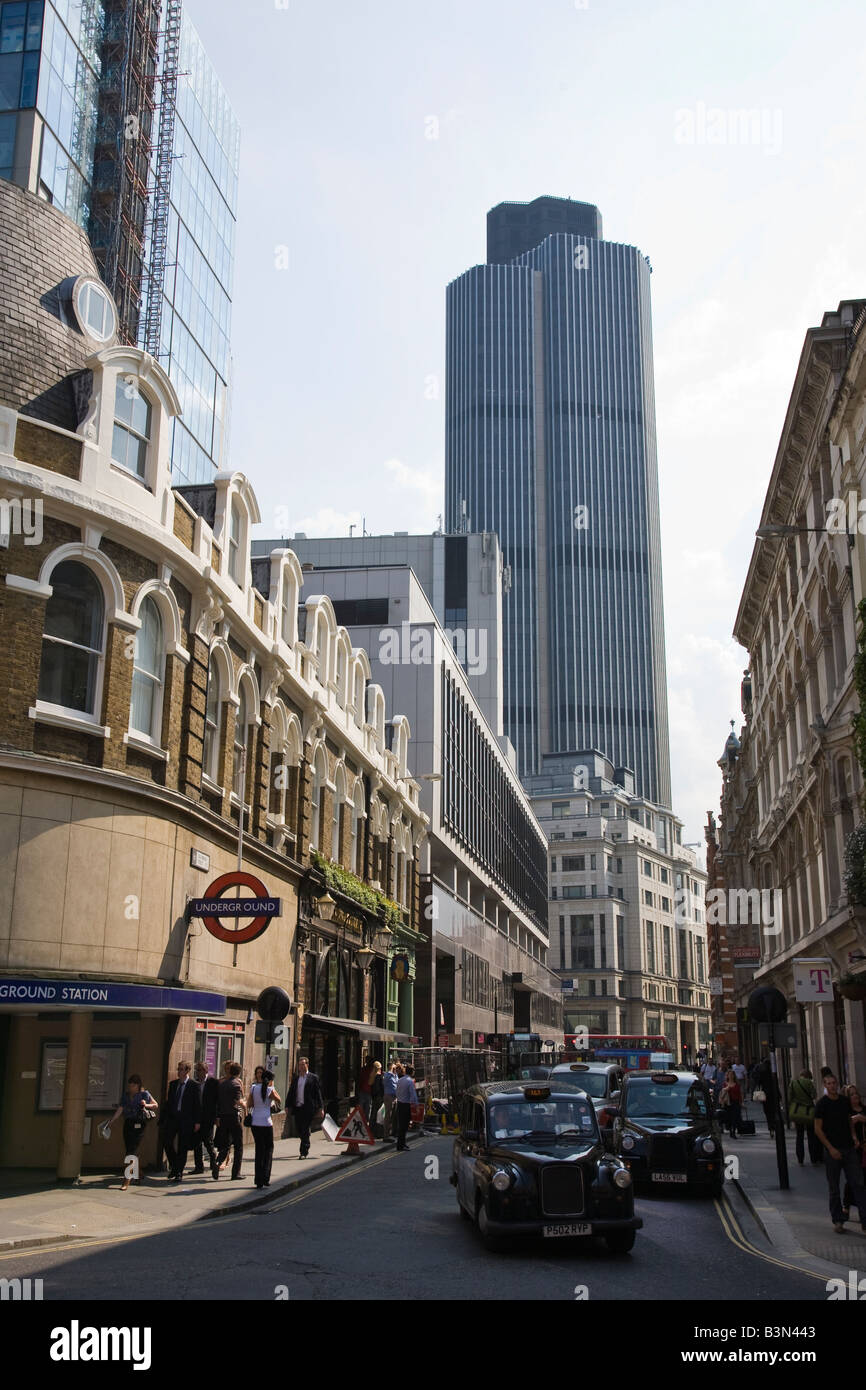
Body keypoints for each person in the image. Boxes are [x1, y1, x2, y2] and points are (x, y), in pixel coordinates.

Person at [813, 1073, 866, 1234]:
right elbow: (818, 1129)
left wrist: (854, 1137)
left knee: (859, 1184)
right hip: (832, 1151)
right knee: (834, 1188)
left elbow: (849, 1121)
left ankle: (865, 1221)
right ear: (825, 1086)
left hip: (849, 1149)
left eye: (834, 1083)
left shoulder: (844, 1102)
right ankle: (838, 1220)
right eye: (829, 1083)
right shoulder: (821, 1104)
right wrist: (830, 1149)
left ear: (837, 1084)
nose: (832, 1086)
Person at [105, 1074, 158, 1190]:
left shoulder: (144, 1094)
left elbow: (155, 1105)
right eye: (130, 1085)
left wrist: (146, 1104)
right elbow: (120, 1109)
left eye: (133, 1085)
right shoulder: (126, 1096)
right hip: (128, 1123)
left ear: (138, 1085)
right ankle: (139, 1173)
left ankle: (127, 1178)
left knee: (131, 1150)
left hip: (139, 1124)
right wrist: (112, 1121)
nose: (131, 1087)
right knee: (130, 1149)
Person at [162, 1060, 202, 1182]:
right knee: (167, 1142)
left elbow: (198, 1105)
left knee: (182, 1147)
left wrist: (197, 1121)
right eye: (178, 1069)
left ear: (187, 1071)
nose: (179, 1071)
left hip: (187, 1119)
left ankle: (179, 1172)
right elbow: (169, 1103)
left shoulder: (194, 1085)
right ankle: (174, 1166)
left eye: (181, 1069)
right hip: (174, 1118)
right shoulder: (173, 1084)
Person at [247, 1068, 281, 1188]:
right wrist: (271, 1087)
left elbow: (249, 1104)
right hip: (266, 1122)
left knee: (259, 1150)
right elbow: (279, 1099)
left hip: (255, 1122)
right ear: (270, 1080)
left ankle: (258, 1180)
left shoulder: (254, 1088)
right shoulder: (269, 1089)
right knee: (268, 1150)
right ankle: (265, 1177)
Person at [213, 1061, 246, 1180]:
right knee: (238, 1145)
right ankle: (236, 1173)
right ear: (238, 1073)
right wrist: (245, 1108)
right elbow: (238, 1102)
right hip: (233, 1117)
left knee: (226, 1144)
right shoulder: (236, 1084)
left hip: (223, 1117)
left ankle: (217, 1162)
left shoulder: (222, 1084)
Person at [286, 1056, 324, 1159]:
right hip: (297, 1107)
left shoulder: (313, 1078)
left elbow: (318, 1094)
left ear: (307, 1065)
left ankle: (304, 1151)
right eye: (299, 1065)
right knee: (299, 1128)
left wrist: (321, 1108)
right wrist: (287, 1105)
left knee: (305, 1128)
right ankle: (305, 1140)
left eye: (303, 1064)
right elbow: (291, 1093)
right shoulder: (296, 1079)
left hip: (308, 1107)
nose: (301, 1067)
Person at [787, 1068, 821, 1165]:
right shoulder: (809, 1083)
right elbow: (814, 1095)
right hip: (809, 1111)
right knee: (811, 1136)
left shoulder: (793, 1083)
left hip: (798, 1112)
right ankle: (813, 1159)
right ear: (808, 1075)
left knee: (799, 1136)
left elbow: (790, 1097)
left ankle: (800, 1159)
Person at [842, 1085, 866, 1219]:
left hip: (865, 1148)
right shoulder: (846, 1111)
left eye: (856, 1093)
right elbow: (842, 1126)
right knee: (854, 1178)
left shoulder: (864, 1110)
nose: (855, 1096)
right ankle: (846, 1205)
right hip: (854, 1149)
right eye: (851, 1094)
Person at [192, 1061, 219, 1174]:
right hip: (197, 1117)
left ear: (206, 1070)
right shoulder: (195, 1083)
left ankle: (213, 1162)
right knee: (196, 1143)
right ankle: (199, 1167)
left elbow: (217, 1100)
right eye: (197, 1070)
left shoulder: (213, 1082)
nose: (198, 1073)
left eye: (200, 1070)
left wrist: (217, 1116)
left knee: (208, 1142)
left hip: (208, 1117)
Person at [752, 1056, 777, 1138]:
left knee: (767, 1112)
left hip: (764, 1094)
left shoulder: (762, 1072)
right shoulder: (773, 1073)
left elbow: (756, 1080)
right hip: (773, 1094)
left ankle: (771, 1128)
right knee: (773, 1111)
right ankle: (773, 1126)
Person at [395, 1064, 418, 1151]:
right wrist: (416, 1105)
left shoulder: (400, 1080)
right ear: (411, 1072)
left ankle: (402, 1144)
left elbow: (396, 1092)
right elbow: (413, 1095)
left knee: (401, 1125)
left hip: (400, 1104)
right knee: (404, 1126)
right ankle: (401, 1145)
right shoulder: (410, 1081)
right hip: (406, 1105)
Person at [720, 1069, 742, 1138]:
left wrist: (741, 1102)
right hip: (728, 1103)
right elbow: (722, 1093)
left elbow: (739, 1094)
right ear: (727, 1076)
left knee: (735, 1118)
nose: (731, 1076)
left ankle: (733, 1132)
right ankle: (730, 1130)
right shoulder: (725, 1084)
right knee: (728, 1118)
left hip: (735, 1102)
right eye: (730, 1075)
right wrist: (726, 1088)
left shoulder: (737, 1084)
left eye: (732, 1075)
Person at [382, 1061, 398, 1141]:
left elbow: (397, 1084)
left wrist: (395, 1074)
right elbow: (385, 1082)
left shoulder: (395, 1075)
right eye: (394, 1067)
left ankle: (390, 1133)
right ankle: (386, 1136)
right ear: (391, 1067)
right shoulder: (388, 1075)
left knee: (392, 1116)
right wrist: (392, 1073)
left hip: (394, 1097)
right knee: (388, 1116)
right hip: (389, 1097)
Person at [357, 1056, 375, 1121]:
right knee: (367, 1108)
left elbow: (360, 1079)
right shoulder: (372, 1070)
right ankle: (365, 1121)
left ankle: (362, 1120)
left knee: (364, 1108)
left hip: (364, 1091)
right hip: (367, 1091)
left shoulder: (365, 1069)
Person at [370, 1061, 384, 1136]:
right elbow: (381, 1088)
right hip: (379, 1098)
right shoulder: (379, 1077)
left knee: (373, 1114)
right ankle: (378, 1132)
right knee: (379, 1116)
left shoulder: (372, 1076)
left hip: (374, 1098)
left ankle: (372, 1131)